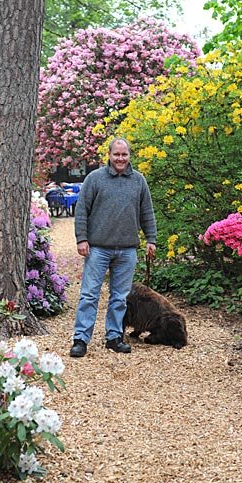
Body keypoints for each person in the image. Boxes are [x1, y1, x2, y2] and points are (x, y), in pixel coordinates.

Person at [69, 138, 157, 358]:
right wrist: (82, 238)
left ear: (129, 156)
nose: (120, 159)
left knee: (119, 297)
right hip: (98, 248)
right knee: (89, 295)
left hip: (127, 250)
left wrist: (151, 239)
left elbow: (147, 212)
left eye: (124, 155)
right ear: (109, 155)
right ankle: (81, 339)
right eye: (116, 154)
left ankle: (114, 337)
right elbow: (82, 210)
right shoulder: (94, 179)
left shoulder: (138, 181)